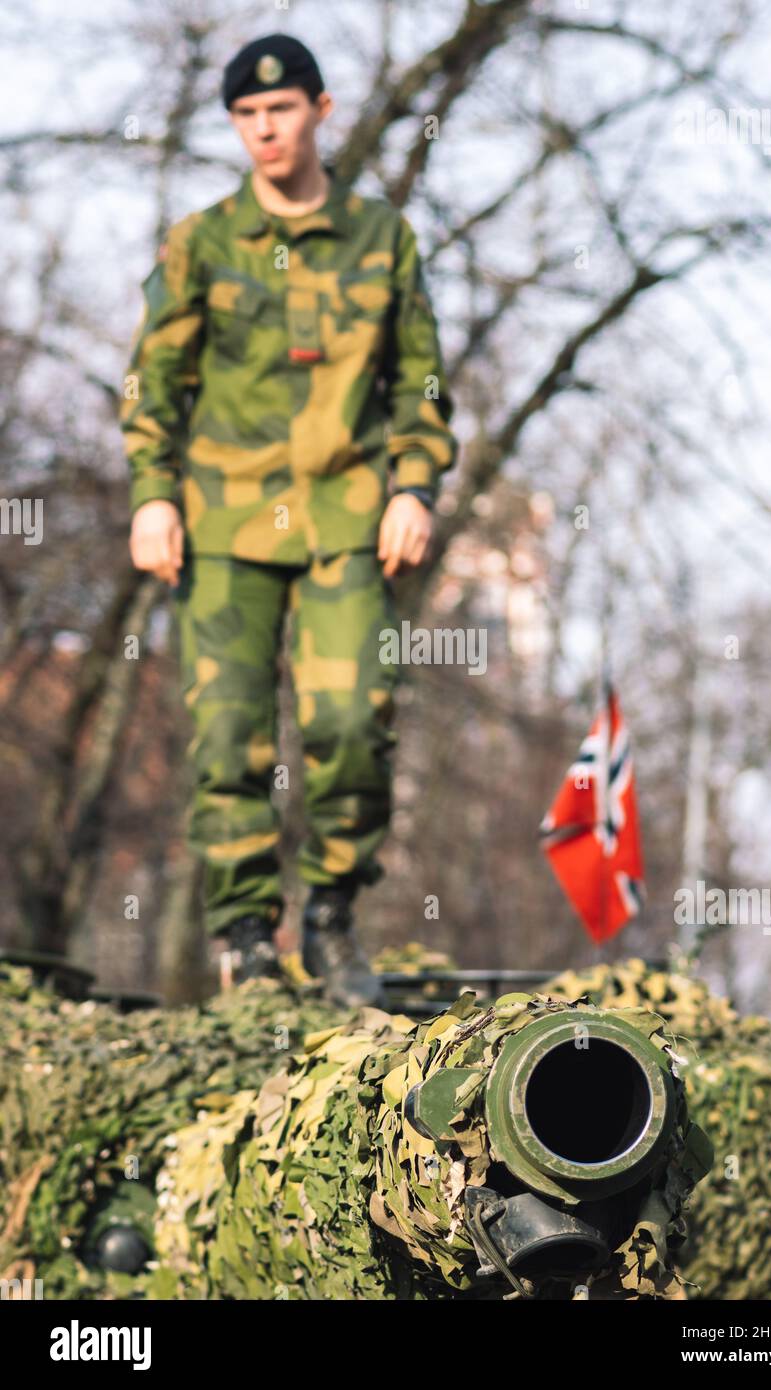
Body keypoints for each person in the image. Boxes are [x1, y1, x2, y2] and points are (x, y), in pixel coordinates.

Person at [118, 34, 458, 1005]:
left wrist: (413, 483)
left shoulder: (379, 237)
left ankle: (332, 911)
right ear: (235, 126)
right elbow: (153, 378)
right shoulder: (202, 242)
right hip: (223, 531)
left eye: (282, 110)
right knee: (227, 739)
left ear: (322, 109)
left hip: (344, 521)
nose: (265, 129)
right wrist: (151, 491)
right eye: (246, 116)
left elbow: (420, 377)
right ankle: (244, 937)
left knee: (353, 724)